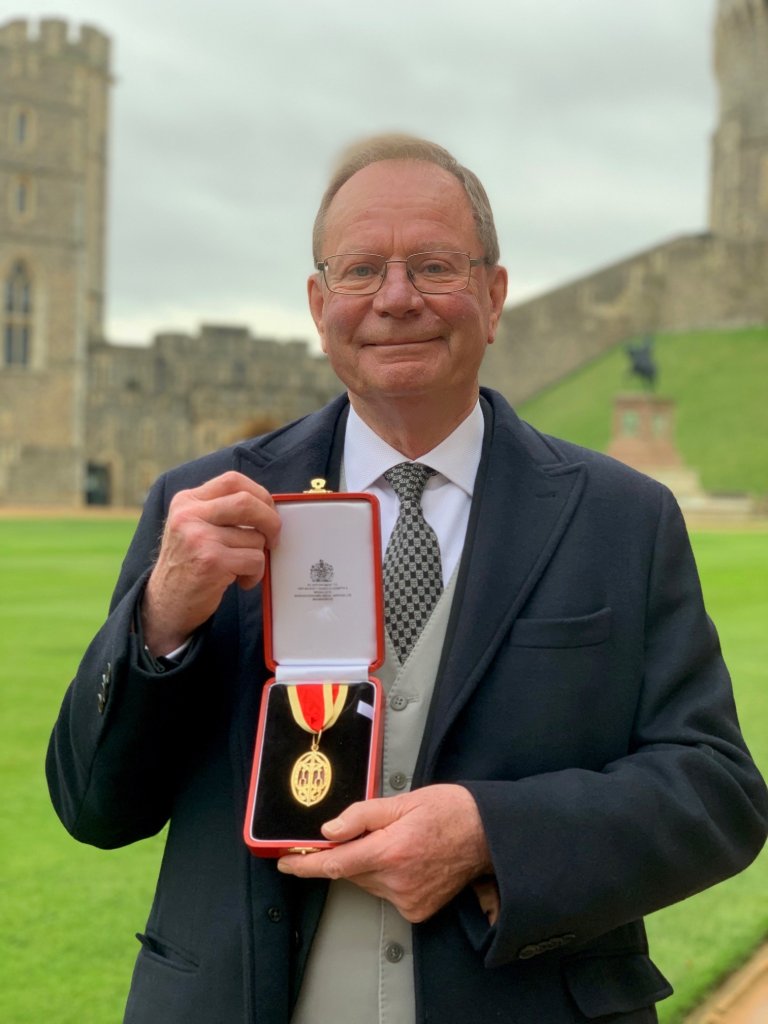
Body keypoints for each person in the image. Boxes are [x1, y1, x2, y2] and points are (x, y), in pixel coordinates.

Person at [47, 134, 768, 1024]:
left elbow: (718, 792)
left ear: (494, 296)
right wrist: (161, 622)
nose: (396, 298)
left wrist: (492, 836)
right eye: (360, 271)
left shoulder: (624, 517)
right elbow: (93, 806)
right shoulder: (200, 507)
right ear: (319, 304)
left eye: (434, 265)